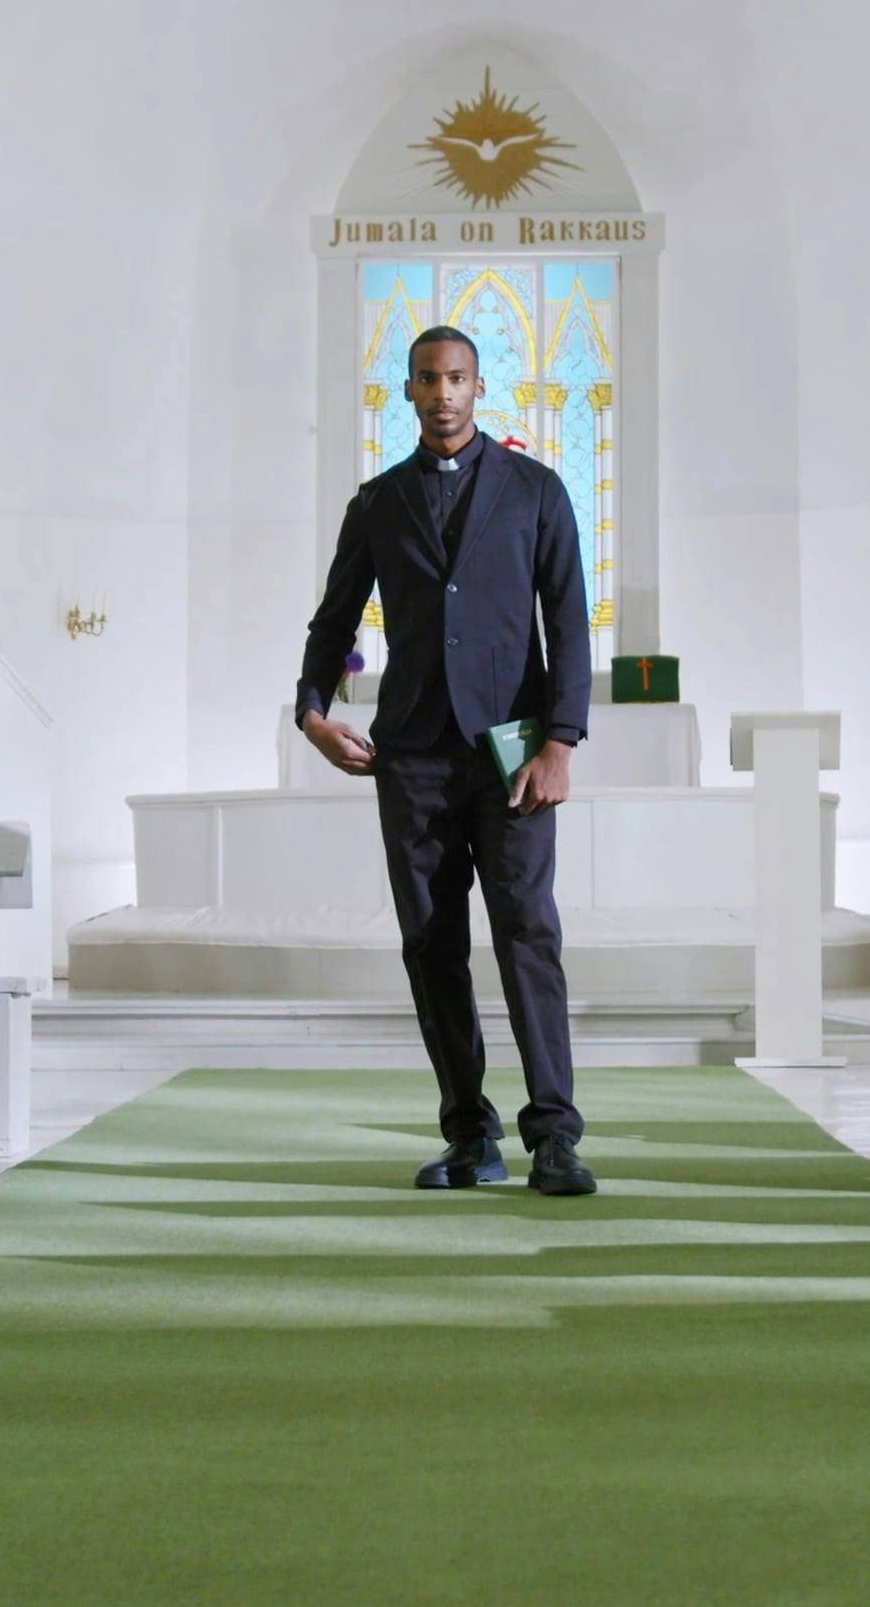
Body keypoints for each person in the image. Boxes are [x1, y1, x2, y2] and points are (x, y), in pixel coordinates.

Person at [294, 325, 596, 1195]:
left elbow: (569, 622)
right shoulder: (377, 503)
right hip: (413, 757)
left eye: (456, 377)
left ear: (479, 385)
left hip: (513, 757)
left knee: (528, 933)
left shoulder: (539, 491)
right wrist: (313, 713)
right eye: (427, 379)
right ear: (408, 391)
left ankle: (555, 1136)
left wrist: (561, 741)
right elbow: (333, 622)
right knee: (430, 944)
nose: (443, 394)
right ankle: (470, 1135)